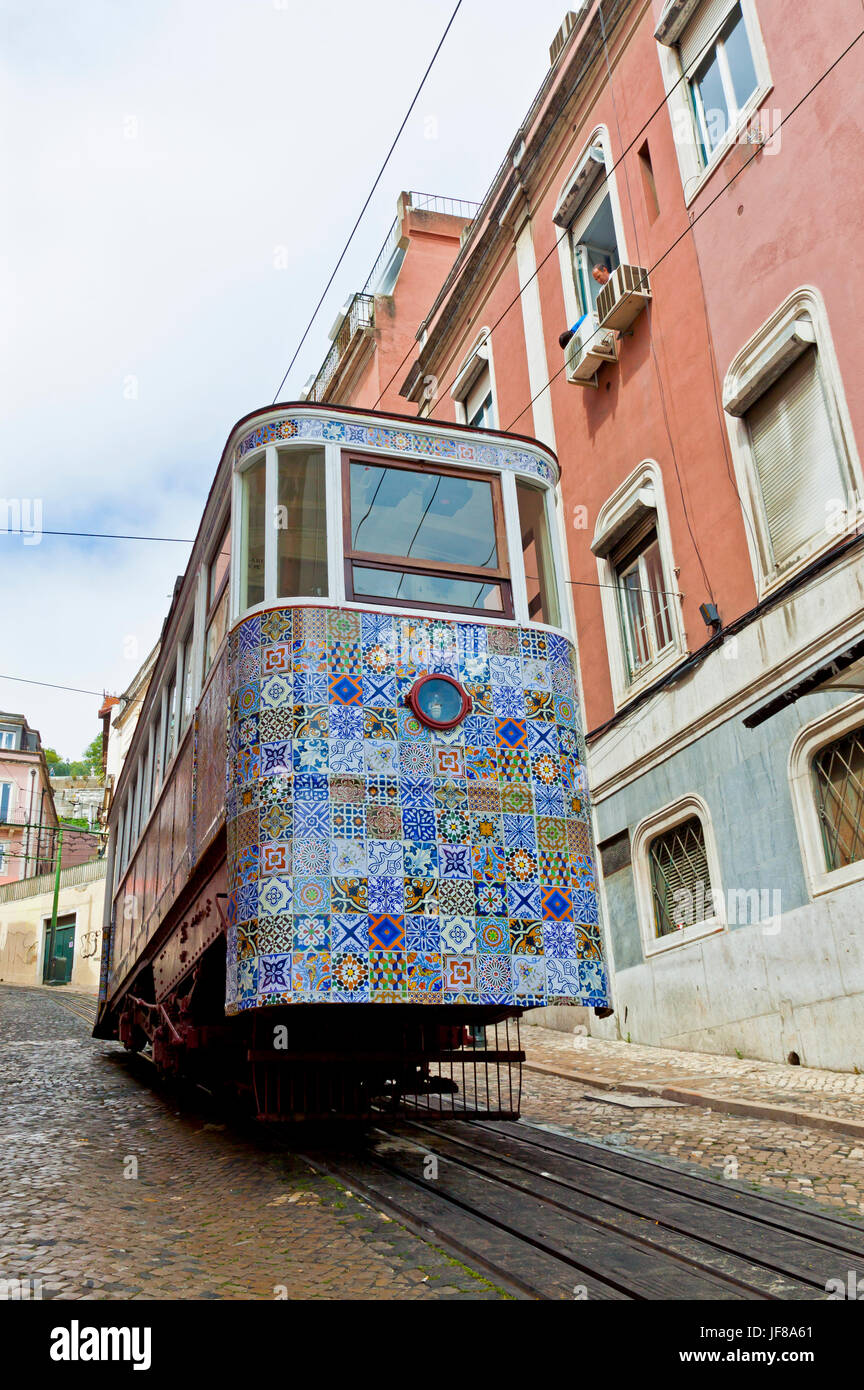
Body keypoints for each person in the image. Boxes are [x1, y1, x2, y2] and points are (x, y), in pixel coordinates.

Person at [558, 262, 614, 349]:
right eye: (596, 280)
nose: (599, 281)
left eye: (599, 276)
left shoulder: (615, 274)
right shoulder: (601, 291)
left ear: (605, 270)